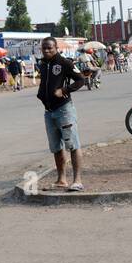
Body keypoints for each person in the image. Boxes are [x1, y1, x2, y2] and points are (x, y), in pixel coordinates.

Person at [36, 36, 86, 191]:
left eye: (49, 47)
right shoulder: (43, 64)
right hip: (49, 112)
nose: (46, 50)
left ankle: (77, 180)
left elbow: (80, 79)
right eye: (44, 48)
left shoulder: (64, 63)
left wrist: (65, 90)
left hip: (64, 110)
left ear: (56, 48)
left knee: (73, 145)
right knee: (56, 148)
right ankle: (61, 180)